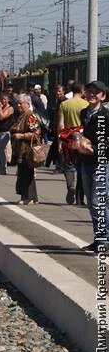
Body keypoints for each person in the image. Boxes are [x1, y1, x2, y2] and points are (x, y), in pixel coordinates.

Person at [76, 80, 109, 251]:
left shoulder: (106, 115)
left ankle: (105, 239)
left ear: (103, 96)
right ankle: (99, 238)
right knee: (90, 203)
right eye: (89, 91)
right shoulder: (84, 113)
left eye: (96, 93)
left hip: (101, 163)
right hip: (85, 162)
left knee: (98, 202)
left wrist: (94, 149)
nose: (91, 95)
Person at [59, 80, 88, 206]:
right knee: (81, 167)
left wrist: (60, 140)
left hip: (68, 138)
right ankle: (79, 198)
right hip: (82, 139)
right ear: (82, 91)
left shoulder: (64, 104)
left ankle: (71, 186)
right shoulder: (86, 104)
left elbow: (61, 124)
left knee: (69, 165)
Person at [10, 93, 42, 204]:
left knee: (26, 173)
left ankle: (29, 197)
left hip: (28, 149)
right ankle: (30, 197)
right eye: (17, 104)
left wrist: (22, 136)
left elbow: (36, 133)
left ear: (28, 104)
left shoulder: (30, 116)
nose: (18, 106)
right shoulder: (21, 115)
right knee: (24, 173)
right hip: (21, 149)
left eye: (20, 103)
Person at [0, 92, 14, 175]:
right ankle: (2, 168)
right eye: (1, 99)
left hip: (5, 132)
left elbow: (2, 117)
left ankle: (4, 168)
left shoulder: (10, 108)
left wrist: (0, 106)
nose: (3, 101)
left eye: (5, 99)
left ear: (8, 100)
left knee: (1, 149)